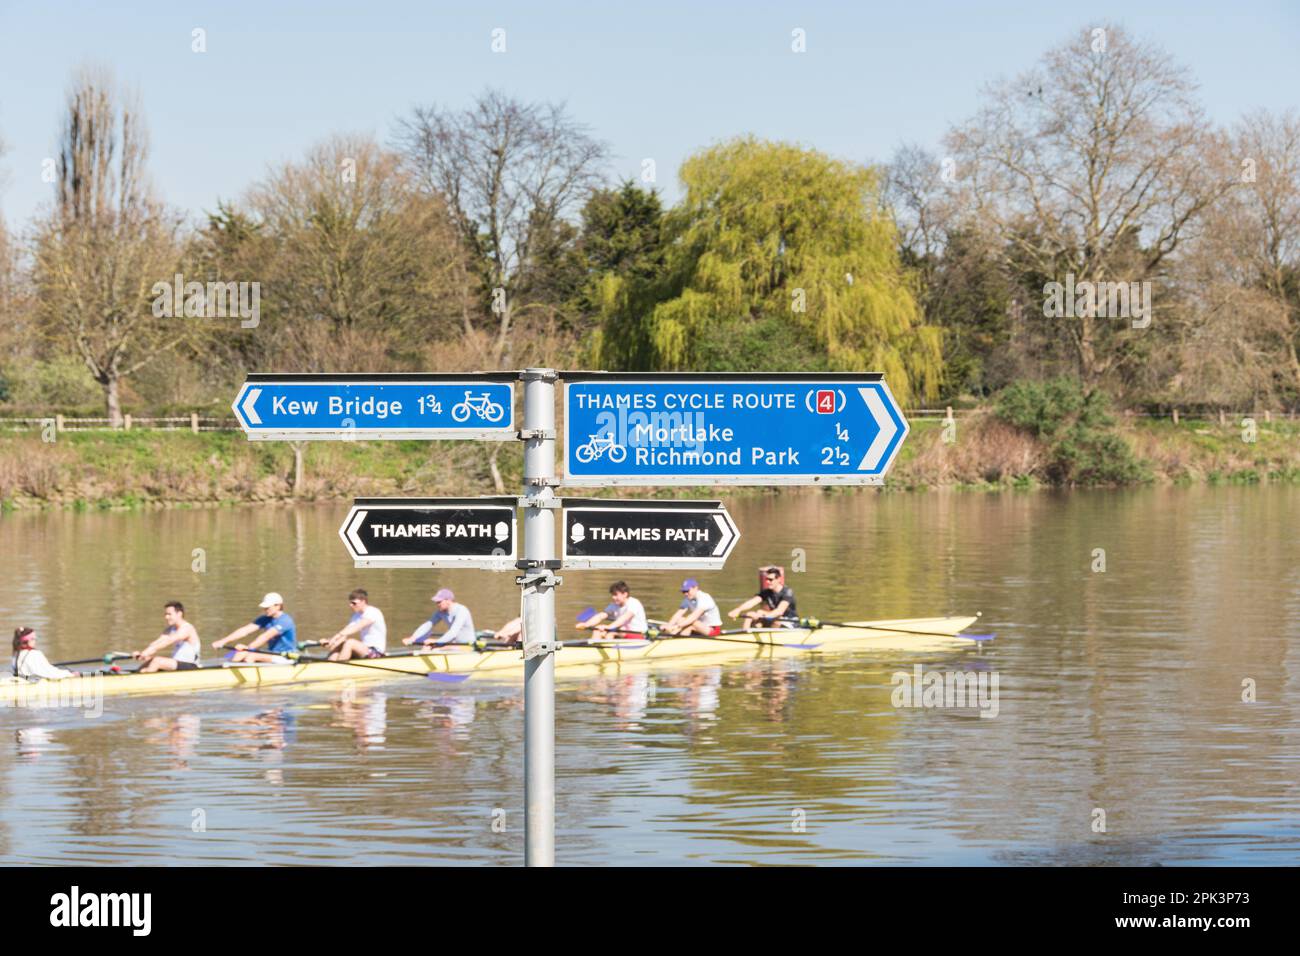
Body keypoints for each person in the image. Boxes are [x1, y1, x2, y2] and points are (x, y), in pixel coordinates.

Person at [212, 592, 298, 663]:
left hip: (286, 656)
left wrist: (248, 649)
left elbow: (265, 637)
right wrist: (223, 641)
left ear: (278, 606)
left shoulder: (285, 621)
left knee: (250, 655)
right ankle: (229, 667)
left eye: (268, 607)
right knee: (240, 648)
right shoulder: (265, 619)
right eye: (264, 608)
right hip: (272, 653)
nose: (265, 610)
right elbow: (244, 631)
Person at [134, 601, 201, 672]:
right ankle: (139, 674)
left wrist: (148, 651)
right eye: (165, 614)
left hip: (190, 665)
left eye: (169, 614)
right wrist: (142, 653)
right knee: (150, 660)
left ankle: (143, 678)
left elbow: (168, 641)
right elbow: (157, 642)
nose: (166, 617)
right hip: (176, 664)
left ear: (179, 614)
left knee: (157, 661)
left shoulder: (187, 628)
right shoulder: (170, 629)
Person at [323, 589, 387, 661]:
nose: (351, 605)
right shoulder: (356, 615)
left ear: (363, 601)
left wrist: (334, 638)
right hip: (364, 650)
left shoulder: (373, 612)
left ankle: (338, 668)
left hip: (377, 652)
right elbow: (345, 633)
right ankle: (329, 664)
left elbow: (356, 627)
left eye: (354, 603)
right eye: (350, 603)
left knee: (350, 642)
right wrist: (331, 642)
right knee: (340, 644)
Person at [729, 567, 798, 630]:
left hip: (789, 622)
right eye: (766, 579)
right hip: (772, 618)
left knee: (777, 620)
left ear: (779, 579)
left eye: (770, 579)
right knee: (750, 615)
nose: (767, 582)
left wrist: (762, 615)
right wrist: (738, 609)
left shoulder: (787, 592)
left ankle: (771, 640)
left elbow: (780, 611)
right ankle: (744, 636)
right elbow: (752, 602)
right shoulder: (767, 592)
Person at [404, 588, 476, 649]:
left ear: (448, 600)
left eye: (439, 602)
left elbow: (453, 632)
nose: (437, 604)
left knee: (431, 648)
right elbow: (428, 625)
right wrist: (413, 638)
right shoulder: (441, 612)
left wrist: (437, 642)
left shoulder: (461, 611)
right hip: (455, 644)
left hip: (467, 646)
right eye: (436, 602)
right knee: (427, 647)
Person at [578, 581, 647, 640]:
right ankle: (593, 649)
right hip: (623, 632)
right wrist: (586, 624)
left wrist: (609, 627)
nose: (613, 597)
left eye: (616, 595)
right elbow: (601, 616)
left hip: (639, 634)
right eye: (612, 595)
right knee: (597, 629)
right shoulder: (614, 605)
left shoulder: (633, 603)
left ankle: (610, 652)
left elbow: (624, 618)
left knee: (611, 632)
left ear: (625, 594)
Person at [10, 627, 75, 681]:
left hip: (22, 682)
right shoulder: (34, 654)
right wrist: (69, 674)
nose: (35, 641)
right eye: (34, 639)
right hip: (35, 685)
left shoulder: (15, 654)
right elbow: (48, 672)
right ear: (28, 640)